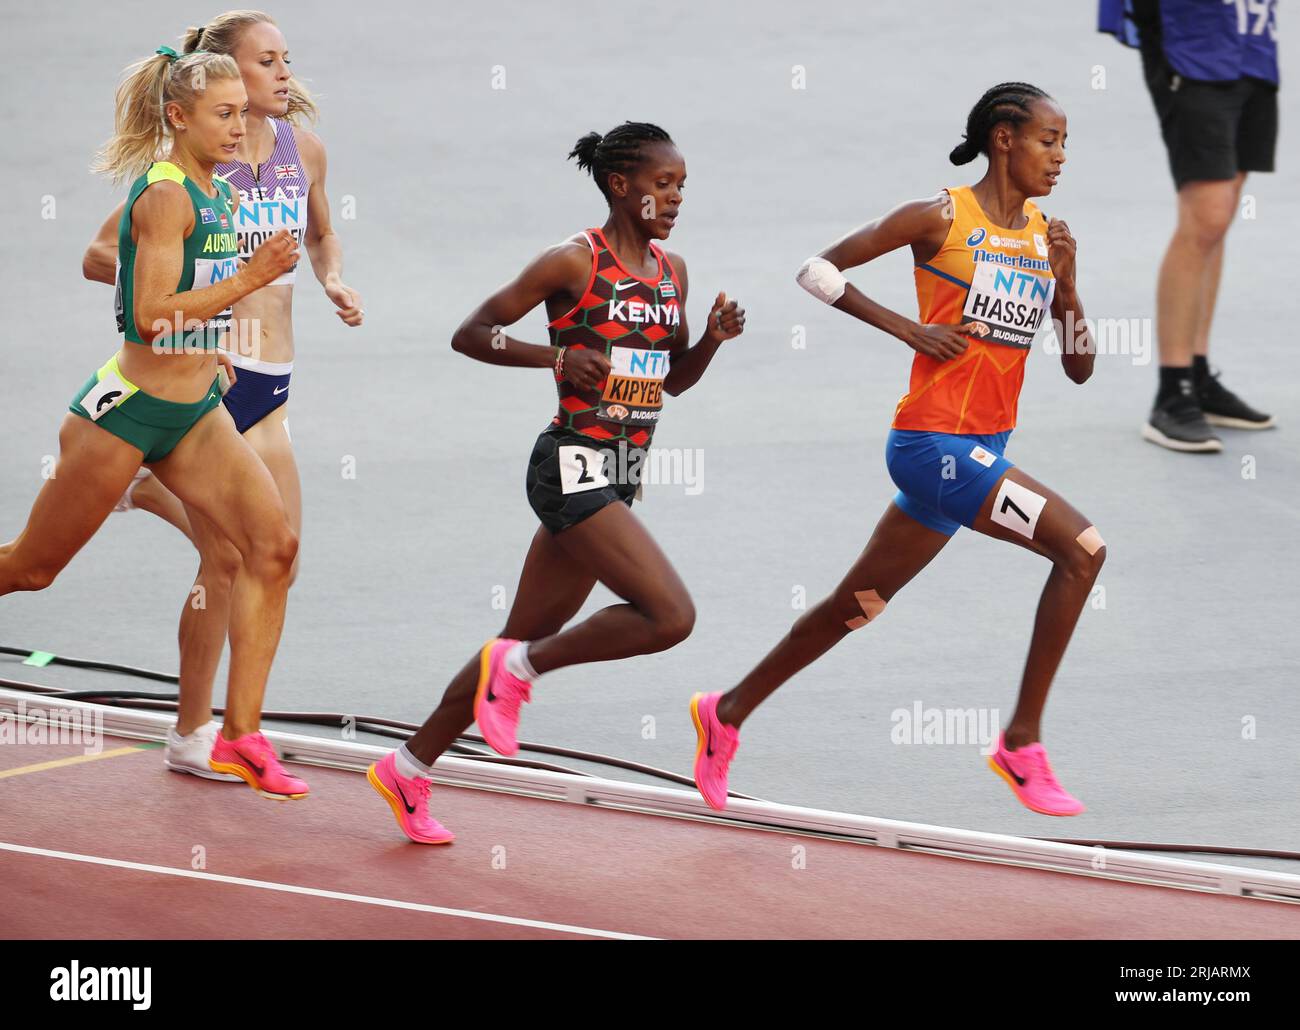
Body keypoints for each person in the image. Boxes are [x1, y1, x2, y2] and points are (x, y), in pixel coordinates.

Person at [692, 83, 1103, 818]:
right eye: (1050, 140)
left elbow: (1079, 367)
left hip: (979, 449)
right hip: (930, 445)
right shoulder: (939, 216)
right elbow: (818, 270)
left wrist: (1068, 292)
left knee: (857, 605)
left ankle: (725, 713)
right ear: (1003, 138)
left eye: (1066, 142)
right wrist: (907, 330)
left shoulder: (1047, 235)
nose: (1061, 157)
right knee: (1083, 550)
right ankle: (1022, 742)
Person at [367, 122, 745, 843]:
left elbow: (672, 381)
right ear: (619, 185)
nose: (674, 200)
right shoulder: (574, 262)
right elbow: (473, 332)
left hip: (621, 475)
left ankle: (409, 766)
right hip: (571, 465)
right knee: (669, 616)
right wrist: (556, 357)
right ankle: (527, 669)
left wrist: (712, 345)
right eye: (662, 186)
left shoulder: (674, 273)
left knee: (514, 638)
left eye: (682, 187)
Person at [0, 46, 307, 799]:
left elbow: (191, 305)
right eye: (224, 114)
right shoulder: (166, 195)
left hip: (193, 412)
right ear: (179, 116)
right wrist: (249, 278)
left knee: (273, 546)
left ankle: (237, 735)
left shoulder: (218, 190)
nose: (240, 128)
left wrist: (215, 350)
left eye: (242, 113)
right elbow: (147, 316)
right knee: (31, 571)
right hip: (126, 417)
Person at [81, 11, 363, 780]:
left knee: (274, 559)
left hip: (269, 385)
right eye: (265, 61)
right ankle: (201, 732)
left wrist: (331, 275)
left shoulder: (304, 152)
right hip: (204, 384)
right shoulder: (202, 167)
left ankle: (214, 733)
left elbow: (320, 234)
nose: (282, 74)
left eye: (284, 59)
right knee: (227, 559)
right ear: (227, 77)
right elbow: (103, 253)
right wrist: (204, 286)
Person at [1100, 0, 1278, 452]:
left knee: (1220, 217)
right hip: (1191, 44)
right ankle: (1171, 392)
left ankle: (1197, 376)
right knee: (1207, 214)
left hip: (1252, 40)